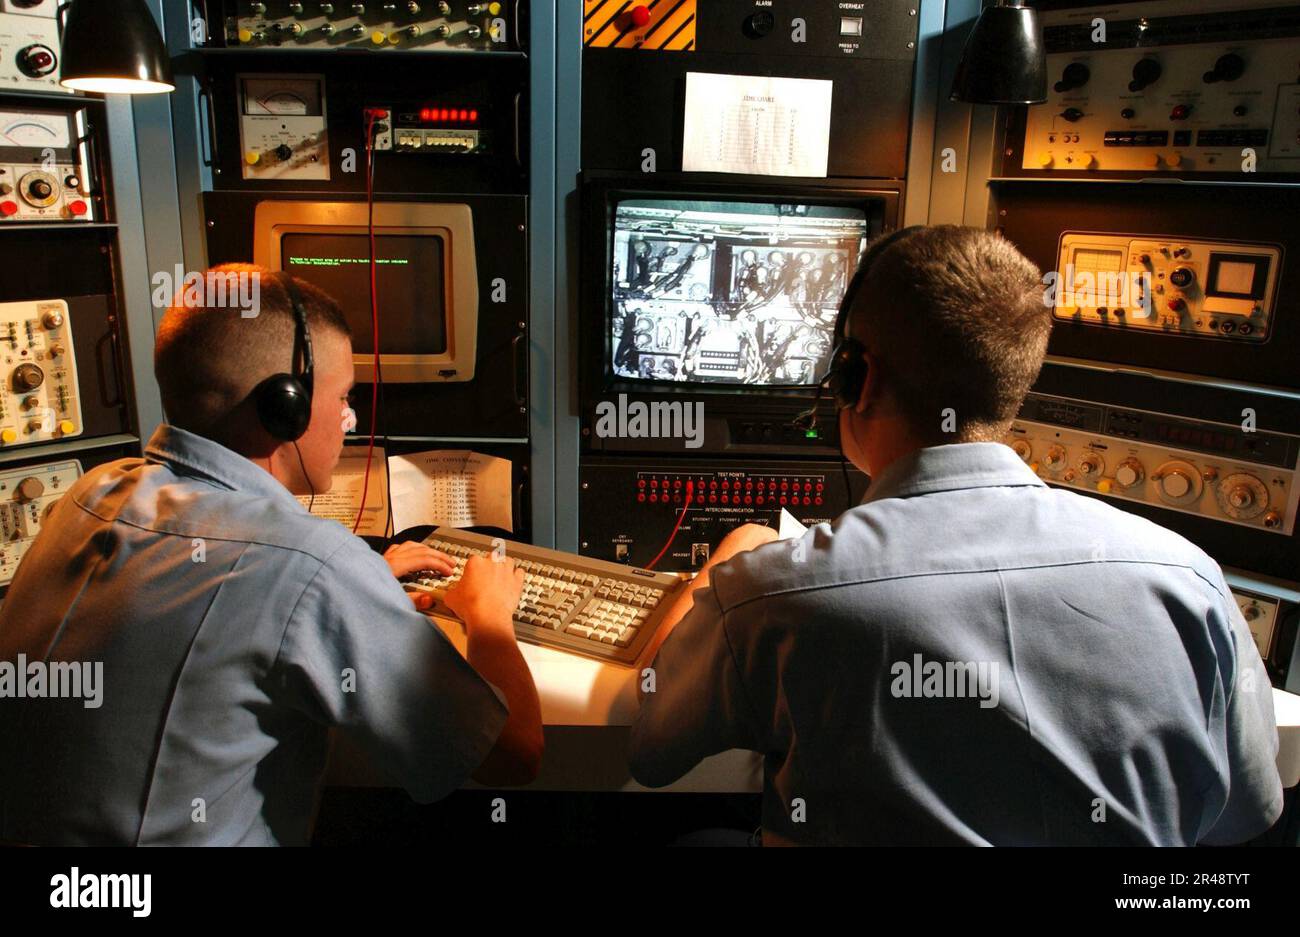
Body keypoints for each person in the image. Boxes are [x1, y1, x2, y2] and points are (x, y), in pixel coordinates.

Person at [628, 226, 1283, 846]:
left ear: (860, 378)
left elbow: (653, 747)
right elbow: (1250, 811)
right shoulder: (1191, 581)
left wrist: (721, 569)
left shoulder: (771, 591)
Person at [0, 264, 542, 846]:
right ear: (284, 408)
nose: (349, 420)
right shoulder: (306, 563)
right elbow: (511, 755)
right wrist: (488, 617)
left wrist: (349, 591)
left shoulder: (92, 491)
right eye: (342, 397)